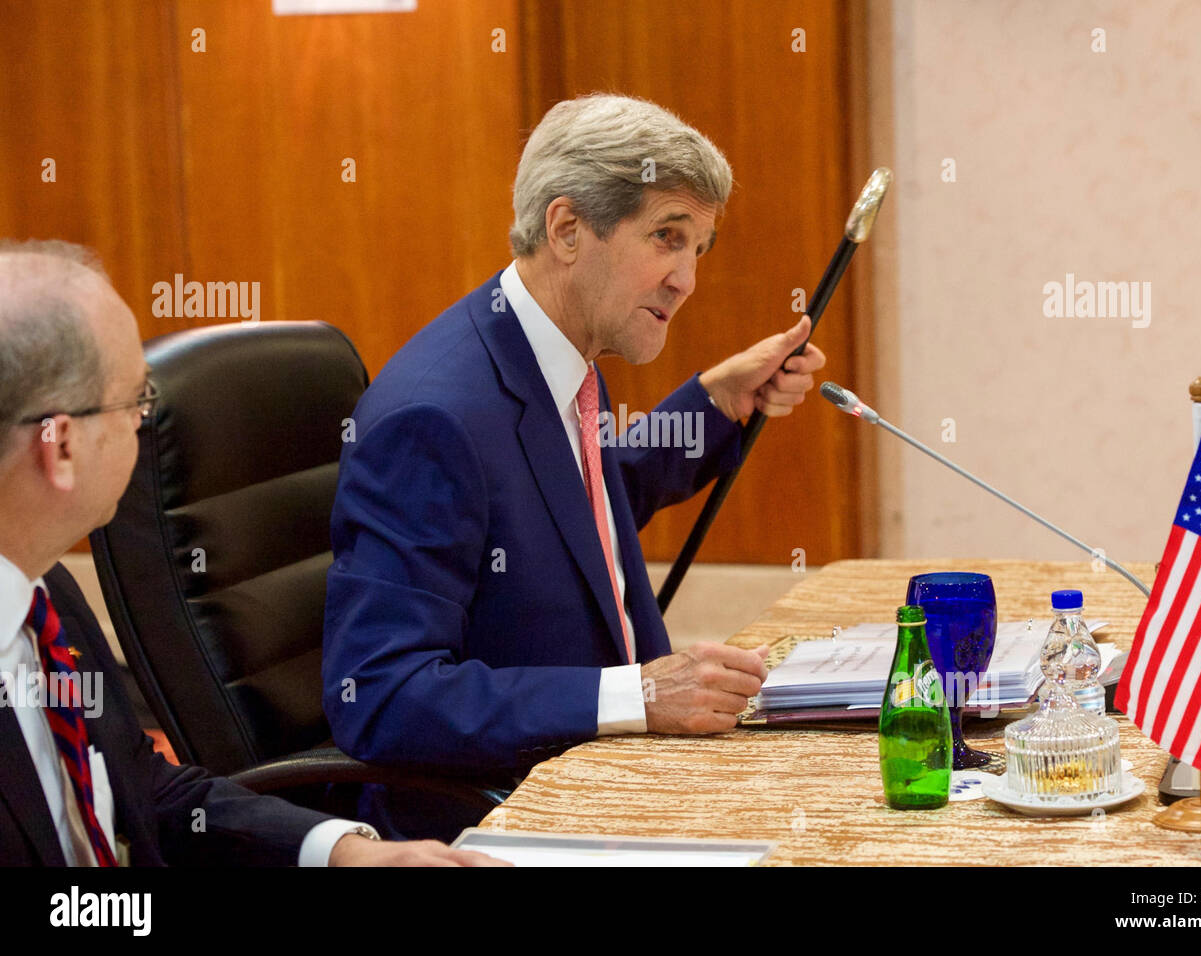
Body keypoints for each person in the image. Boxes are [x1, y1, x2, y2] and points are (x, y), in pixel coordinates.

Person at [323, 94, 827, 778]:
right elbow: (383, 696)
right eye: (666, 237)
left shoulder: (554, 351)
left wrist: (715, 402)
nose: (688, 280)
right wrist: (638, 694)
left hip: (614, 770)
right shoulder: (432, 420)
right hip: (509, 809)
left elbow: (562, 511)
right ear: (566, 229)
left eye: (697, 248)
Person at [0, 240, 504, 866]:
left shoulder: (40, 588)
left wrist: (346, 851)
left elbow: (143, 786)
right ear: (63, 448)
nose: (143, 423)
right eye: (136, 402)